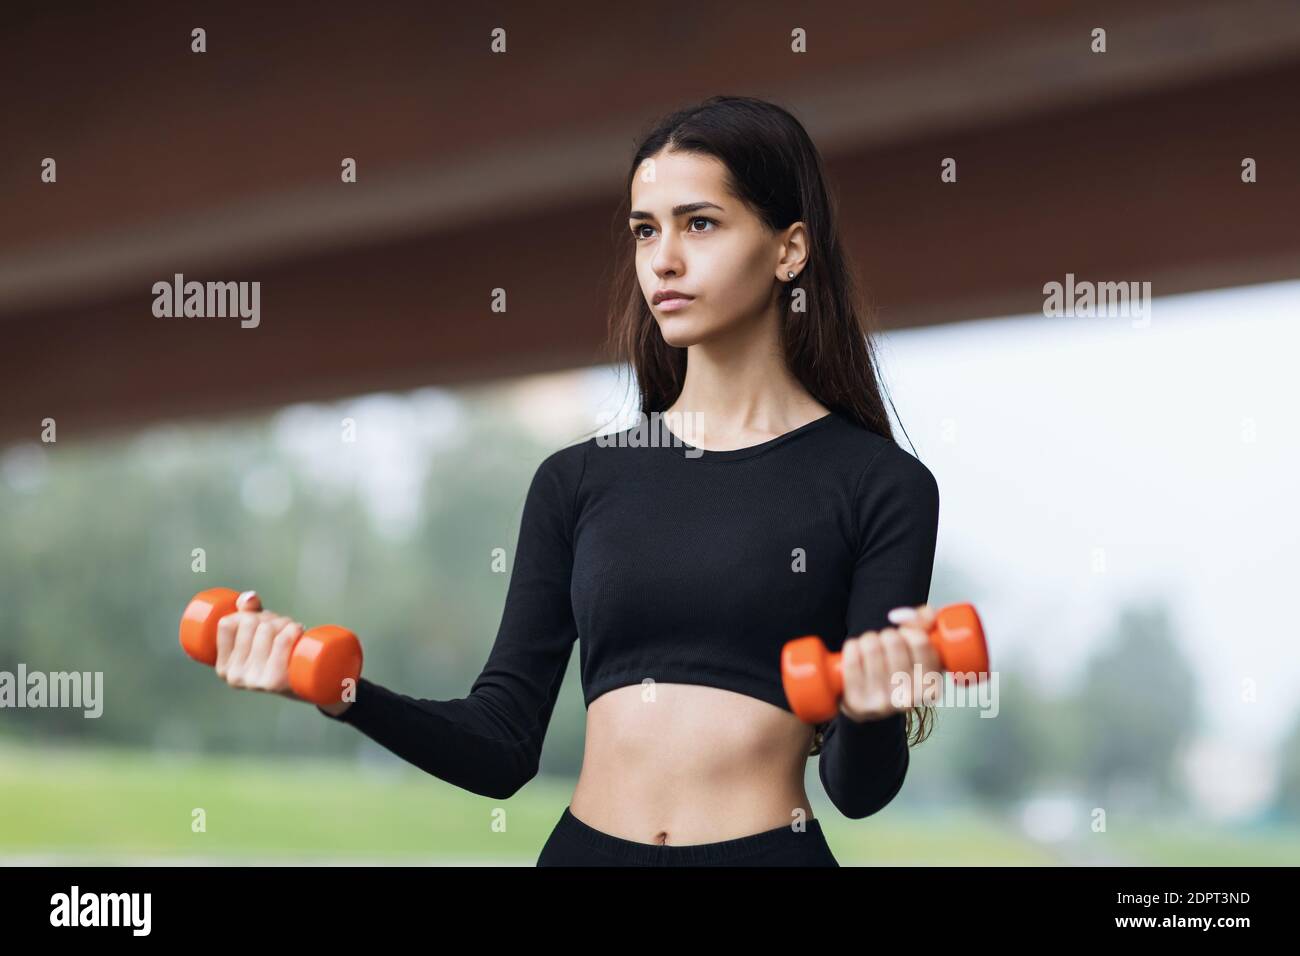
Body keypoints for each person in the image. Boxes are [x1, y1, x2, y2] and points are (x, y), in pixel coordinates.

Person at [212, 95, 945, 867]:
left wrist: (869, 706)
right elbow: (500, 744)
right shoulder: (578, 481)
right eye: (644, 230)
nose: (663, 258)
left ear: (789, 250)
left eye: (700, 223)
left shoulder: (882, 486)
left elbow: (860, 791)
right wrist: (340, 692)